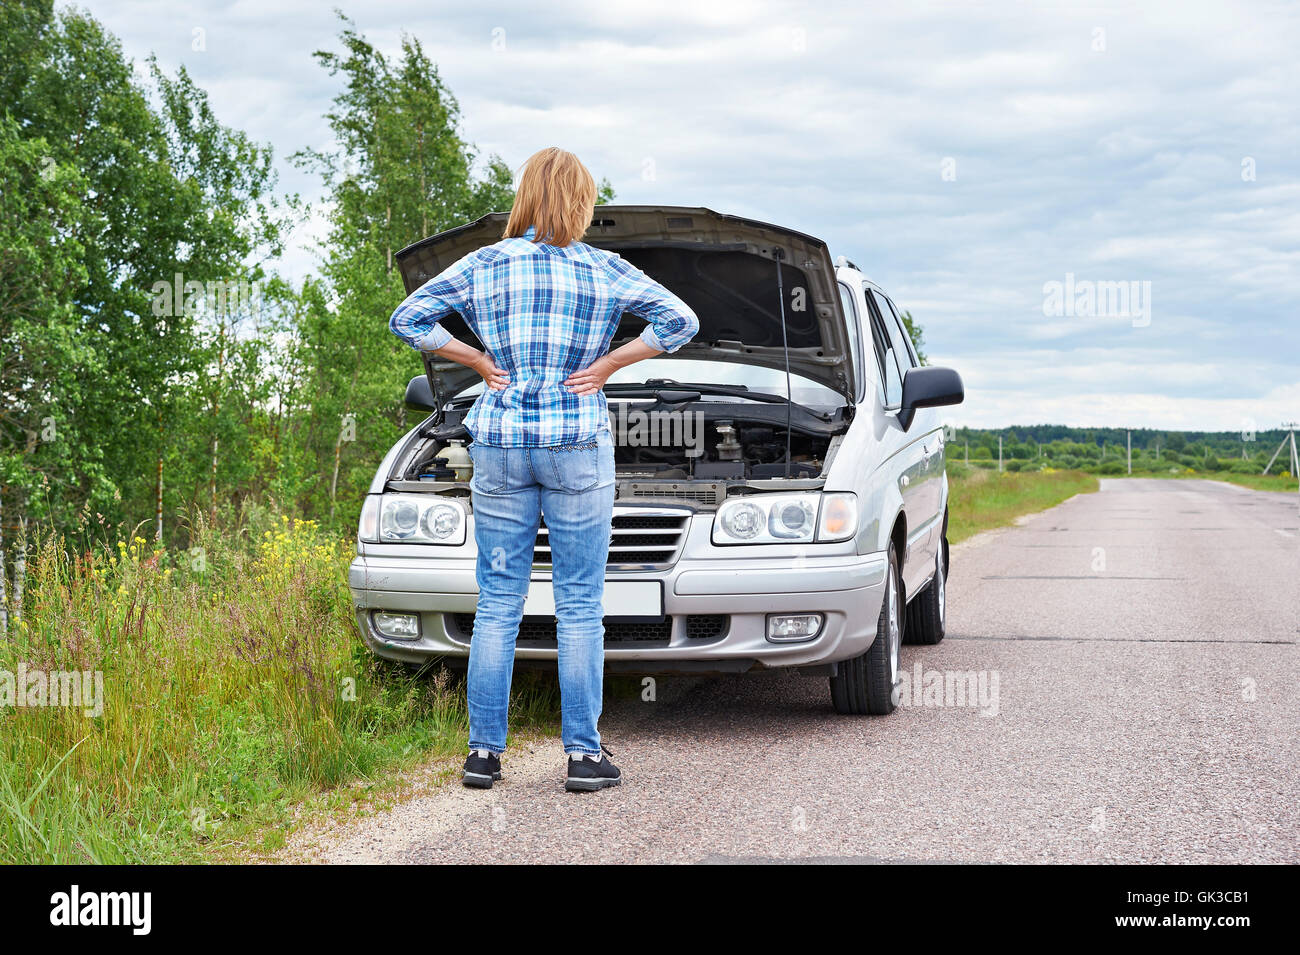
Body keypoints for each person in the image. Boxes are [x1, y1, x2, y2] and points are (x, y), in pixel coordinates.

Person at [388, 147, 699, 792]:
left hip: (500, 441)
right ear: (581, 203)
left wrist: (475, 361)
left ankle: (482, 756)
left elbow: (408, 317)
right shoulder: (604, 269)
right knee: (580, 603)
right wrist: (611, 364)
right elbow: (681, 320)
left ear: (526, 196)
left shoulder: (485, 264)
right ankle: (584, 757)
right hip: (576, 443)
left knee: (499, 601)